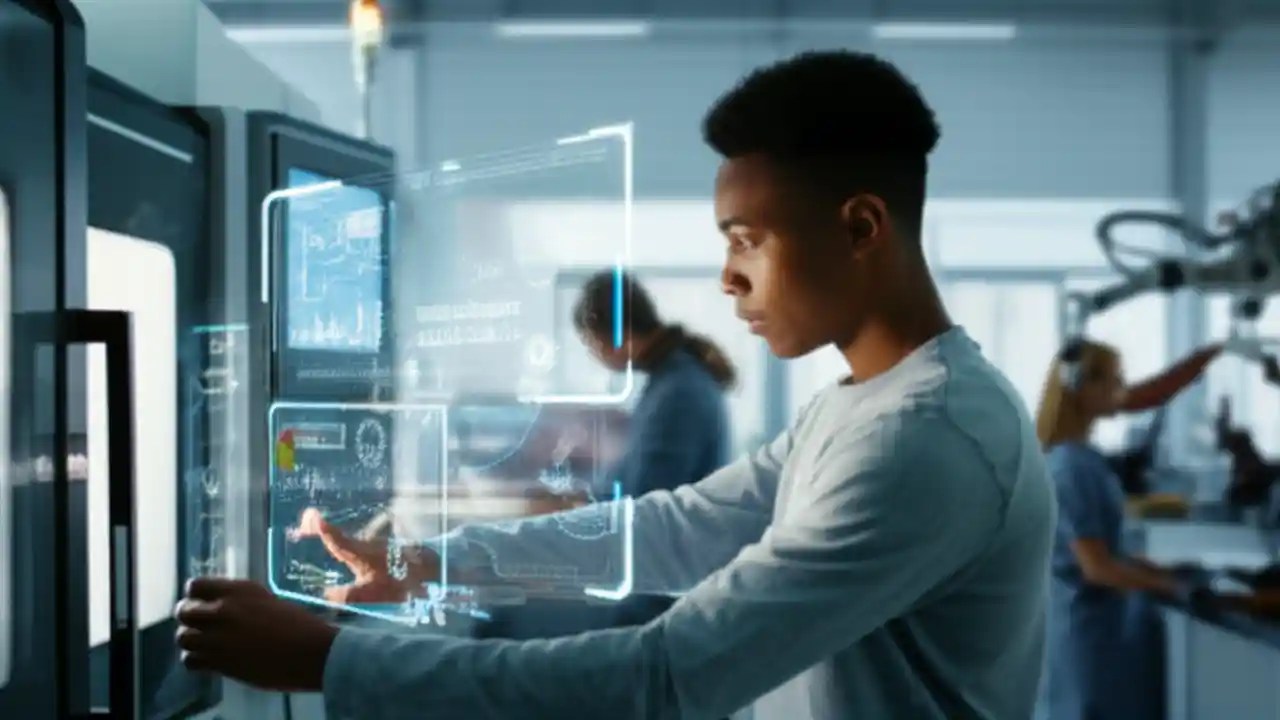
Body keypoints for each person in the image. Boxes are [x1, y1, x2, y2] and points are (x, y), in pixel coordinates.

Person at [174, 50, 1057, 719]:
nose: (727, 278)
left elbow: (664, 678)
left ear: (861, 227)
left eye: (746, 239)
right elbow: (673, 529)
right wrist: (435, 563)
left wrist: (330, 663)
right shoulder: (864, 404)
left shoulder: (926, 437)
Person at [478, 269, 735, 639]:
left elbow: (650, 508)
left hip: (654, 597)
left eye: (590, 344)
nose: (593, 354)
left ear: (616, 336)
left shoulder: (677, 393)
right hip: (649, 577)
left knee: (499, 618)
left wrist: (575, 517)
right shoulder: (670, 381)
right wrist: (581, 503)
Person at [1036, 338, 1223, 720]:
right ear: (1085, 390)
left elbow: (1104, 552)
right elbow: (1096, 567)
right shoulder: (1073, 467)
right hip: (1092, 643)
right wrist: (1176, 587)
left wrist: (1159, 570)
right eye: (1115, 381)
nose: (1122, 391)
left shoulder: (1073, 460)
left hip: (1090, 635)